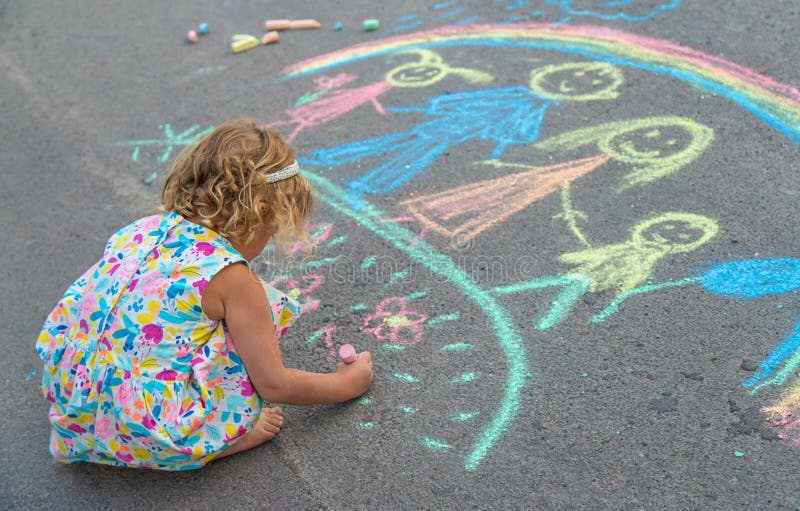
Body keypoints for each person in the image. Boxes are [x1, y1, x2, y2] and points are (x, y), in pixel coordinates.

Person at [35, 118, 373, 470]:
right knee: (252, 320)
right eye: (272, 230)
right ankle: (208, 442)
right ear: (260, 211)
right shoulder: (230, 276)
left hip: (75, 403)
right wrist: (345, 384)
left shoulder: (142, 229)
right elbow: (275, 386)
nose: (270, 239)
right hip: (142, 432)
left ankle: (113, 430)